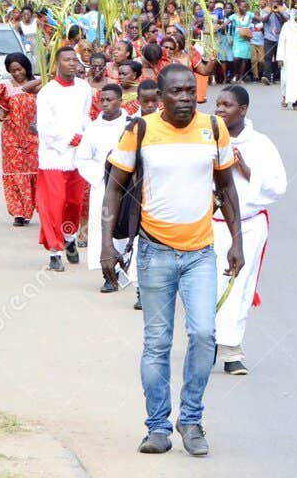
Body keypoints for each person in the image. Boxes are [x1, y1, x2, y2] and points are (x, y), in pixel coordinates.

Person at [101, 64, 243, 457]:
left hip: (200, 253)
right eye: (175, 92)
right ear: (160, 97)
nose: (184, 98)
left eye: (189, 91)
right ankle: (158, 427)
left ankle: (191, 419)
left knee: (204, 335)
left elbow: (226, 187)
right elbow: (114, 188)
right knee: (157, 343)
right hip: (154, 253)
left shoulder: (213, 128)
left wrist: (237, 241)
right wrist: (107, 245)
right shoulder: (140, 130)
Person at [212, 85, 287, 376]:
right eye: (218, 104)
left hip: (248, 226)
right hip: (211, 225)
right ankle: (206, 342)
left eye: (227, 105)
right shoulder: (207, 138)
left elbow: (277, 187)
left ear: (242, 110)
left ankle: (231, 349)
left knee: (238, 286)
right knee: (208, 285)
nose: (220, 110)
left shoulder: (261, 144)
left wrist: (243, 168)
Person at [35, 47, 94, 272]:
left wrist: (87, 136)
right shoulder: (47, 92)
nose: (72, 64)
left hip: (78, 156)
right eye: (66, 60)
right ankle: (54, 252)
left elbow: (85, 116)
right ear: (57, 64)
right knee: (53, 204)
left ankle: (69, 237)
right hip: (53, 157)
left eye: (74, 60)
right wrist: (69, 138)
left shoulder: (83, 88)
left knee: (74, 203)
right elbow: (44, 126)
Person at [76, 82, 131, 291]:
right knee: (103, 228)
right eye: (102, 100)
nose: (105, 104)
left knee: (127, 227)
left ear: (120, 101)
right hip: (103, 186)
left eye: (110, 100)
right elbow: (82, 158)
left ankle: (129, 270)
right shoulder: (93, 128)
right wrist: (103, 174)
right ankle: (108, 275)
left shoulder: (131, 124)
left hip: (129, 187)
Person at [0, 54, 40, 226]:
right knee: (14, 173)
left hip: (33, 135)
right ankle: (18, 213)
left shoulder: (39, 84)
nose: (17, 73)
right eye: (13, 71)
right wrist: (1, 115)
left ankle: (29, 210)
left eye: (20, 69)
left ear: (26, 67)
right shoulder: (5, 87)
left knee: (34, 171)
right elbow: (2, 111)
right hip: (11, 137)